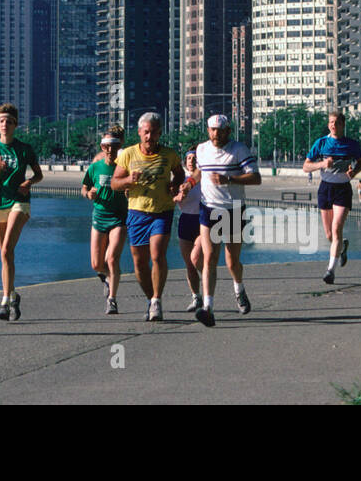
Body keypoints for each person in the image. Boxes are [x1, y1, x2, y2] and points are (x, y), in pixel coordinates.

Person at [110, 113, 190, 322]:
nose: (149, 136)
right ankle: (150, 298)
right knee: (139, 263)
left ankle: (156, 300)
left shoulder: (169, 154)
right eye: (146, 132)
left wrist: (175, 184)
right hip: (136, 212)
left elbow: (179, 174)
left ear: (160, 133)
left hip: (162, 211)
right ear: (139, 133)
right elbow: (114, 183)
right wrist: (128, 179)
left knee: (157, 255)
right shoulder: (127, 154)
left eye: (154, 132)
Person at [0, 102, 43, 321]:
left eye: (9, 121)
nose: (5, 124)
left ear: (15, 125)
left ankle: (4, 302)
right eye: (1, 121)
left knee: (5, 251)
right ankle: (13, 296)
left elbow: (39, 174)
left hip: (19, 202)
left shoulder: (24, 149)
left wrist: (29, 182)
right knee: (6, 255)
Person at [195, 115, 261, 327]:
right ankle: (208, 308)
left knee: (232, 261)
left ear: (228, 131)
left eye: (220, 130)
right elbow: (200, 171)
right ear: (208, 130)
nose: (216, 134)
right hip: (208, 208)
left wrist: (230, 179)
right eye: (212, 130)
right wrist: (189, 182)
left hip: (232, 209)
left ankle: (239, 288)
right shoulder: (201, 149)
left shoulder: (238, 150)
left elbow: (256, 177)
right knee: (209, 258)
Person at [304, 110, 361, 284]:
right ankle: (342, 247)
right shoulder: (321, 143)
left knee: (337, 227)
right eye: (331, 122)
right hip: (325, 188)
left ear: (343, 125)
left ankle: (330, 270)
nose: (333, 125)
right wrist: (322, 164)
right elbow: (306, 167)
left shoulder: (351, 144)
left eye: (337, 122)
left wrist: (354, 171)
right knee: (329, 234)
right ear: (328, 124)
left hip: (343, 189)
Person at [81, 126, 128, 314]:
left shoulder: (125, 166)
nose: (110, 149)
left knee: (112, 258)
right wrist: (88, 194)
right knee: (96, 264)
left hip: (119, 217)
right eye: (107, 146)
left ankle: (112, 299)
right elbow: (84, 188)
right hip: (99, 217)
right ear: (102, 146)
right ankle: (108, 279)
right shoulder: (95, 167)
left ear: (120, 145)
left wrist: (129, 190)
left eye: (114, 145)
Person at [175, 151, 205, 313]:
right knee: (189, 264)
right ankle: (196, 297)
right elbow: (172, 196)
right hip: (185, 220)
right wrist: (176, 196)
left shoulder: (203, 177)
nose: (191, 161)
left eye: (195, 158)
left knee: (196, 258)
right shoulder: (182, 179)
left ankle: (208, 282)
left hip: (202, 221)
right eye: (189, 158)